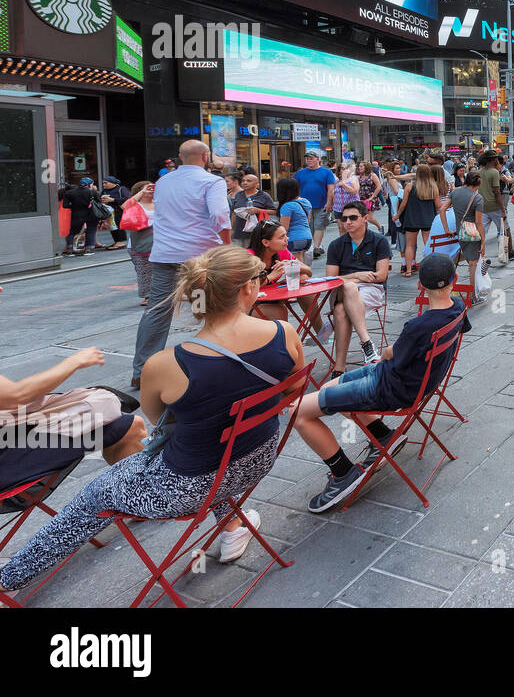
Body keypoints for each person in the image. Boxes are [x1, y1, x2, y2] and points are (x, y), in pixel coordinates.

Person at [0, 247, 306, 593]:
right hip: (258, 460)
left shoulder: (166, 364)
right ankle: (233, 525)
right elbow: (293, 387)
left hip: (187, 488)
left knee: (94, 492)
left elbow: (158, 420)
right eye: (260, 278)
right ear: (248, 288)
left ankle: (8, 579)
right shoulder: (285, 333)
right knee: (211, 441)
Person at [292, 254, 470, 512]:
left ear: (421, 286)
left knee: (298, 412)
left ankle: (343, 473)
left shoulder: (418, 326)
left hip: (391, 388)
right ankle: (384, 436)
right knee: (329, 388)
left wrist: (387, 352)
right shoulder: (457, 307)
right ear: (454, 279)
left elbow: (393, 356)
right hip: (405, 381)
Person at [131, 140, 232, 390]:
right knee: (211, 305)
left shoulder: (164, 181)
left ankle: (142, 370)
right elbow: (220, 215)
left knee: (158, 309)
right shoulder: (212, 181)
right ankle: (211, 359)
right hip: (201, 256)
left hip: (166, 254)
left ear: (179, 157)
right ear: (205, 156)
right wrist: (228, 245)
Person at [0, 340, 146, 498]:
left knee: (121, 421)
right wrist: (74, 362)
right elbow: (17, 395)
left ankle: (136, 498)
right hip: (8, 458)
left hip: (12, 438)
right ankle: (143, 499)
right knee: (129, 426)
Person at [322, 202, 390, 382]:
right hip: (340, 291)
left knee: (340, 311)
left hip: (372, 290)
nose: (348, 222)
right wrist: (358, 276)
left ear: (365, 218)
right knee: (349, 287)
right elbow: (330, 279)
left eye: (353, 218)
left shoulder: (379, 241)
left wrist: (348, 279)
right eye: (344, 219)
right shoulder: (336, 245)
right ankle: (366, 342)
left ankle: (339, 368)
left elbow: (381, 276)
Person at [246, 219, 312, 322]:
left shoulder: (281, 251)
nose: (287, 239)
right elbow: (247, 287)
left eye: (286, 235)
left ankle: (321, 332)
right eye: (282, 237)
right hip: (250, 304)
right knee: (279, 311)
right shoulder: (249, 256)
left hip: (271, 297)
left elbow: (308, 271)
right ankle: (284, 337)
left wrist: (290, 266)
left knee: (302, 277)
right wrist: (271, 277)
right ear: (266, 242)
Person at [394, 164, 449, 278]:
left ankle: (408, 270)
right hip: (428, 219)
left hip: (412, 219)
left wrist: (397, 215)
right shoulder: (433, 187)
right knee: (428, 244)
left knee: (410, 245)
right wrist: (450, 202)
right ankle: (432, 268)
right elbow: (438, 205)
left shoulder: (409, 186)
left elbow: (403, 203)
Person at [479, 150, 514, 266]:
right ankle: (510, 251)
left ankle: (477, 254)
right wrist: (503, 209)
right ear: (492, 160)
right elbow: (497, 192)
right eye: (495, 158)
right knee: (505, 229)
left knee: (481, 232)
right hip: (494, 206)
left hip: (482, 207)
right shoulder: (494, 172)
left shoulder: (479, 172)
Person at [294, 150, 336, 259]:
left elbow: (331, 189)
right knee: (309, 227)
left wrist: (329, 203)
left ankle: (316, 247)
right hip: (304, 206)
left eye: (311, 158)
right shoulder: (300, 173)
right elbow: (295, 188)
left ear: (318, 159)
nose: (309, 160)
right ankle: (313, 246)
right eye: (307, 158)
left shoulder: (326, 172)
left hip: (322, 204)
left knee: (319, 225)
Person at [121, 181, 156, 305]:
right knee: (144, 271)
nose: (151, 190)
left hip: (159, 243)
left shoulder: (159, 204)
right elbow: (125, 206)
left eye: (153, 187)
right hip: (139, 243)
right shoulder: (136, 205)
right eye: (148, 188)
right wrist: (142, 192)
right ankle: (148, 296)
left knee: (164, 270)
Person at [448, 171, 485, 278]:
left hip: (460, 231)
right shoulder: (478, 198)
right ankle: (473, 293)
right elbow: (478, 222)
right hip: (472, 234)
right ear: (478, 184)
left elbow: (442, 209)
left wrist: (446, 229)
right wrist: (483, 242)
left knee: (469, 259)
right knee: (473, 263)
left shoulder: (455, 192)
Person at [230, 172, 275, 247]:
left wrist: (258, 210)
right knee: (239, 256)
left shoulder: (264, 195)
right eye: (243, 181)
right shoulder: (239, 194)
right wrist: (231, 229)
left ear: (257, 184)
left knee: (254, 255)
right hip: (239, 232)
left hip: (256, 233)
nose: (245, 183)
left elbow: (274, 211)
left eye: (249, 181)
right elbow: (234, 213)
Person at [276, 176, 314, 263]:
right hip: (307, 237)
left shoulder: (287, 206)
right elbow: (308, 221)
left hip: (294, 238)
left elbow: (284, 228)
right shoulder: (305, 201)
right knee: (302, 264)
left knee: (297, 266)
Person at [61, 177, 101, 256]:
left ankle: (69, 249)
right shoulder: (93, 192)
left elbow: (65, 205)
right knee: (91, 231)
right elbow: (99, 203)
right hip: (91, 214)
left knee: (72, 232)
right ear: (90, 184)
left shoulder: (69, 193)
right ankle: (88, 249)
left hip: (76, 214)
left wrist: (74, 207)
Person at [98, 176, 130, 251]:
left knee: (118, 225)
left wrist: (113, 200)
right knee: (111, 226)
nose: (104, 185)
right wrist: (102, 200)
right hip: (108, 211)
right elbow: (99, 198)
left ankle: (120, 242)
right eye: (103, 183)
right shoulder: (104, 191)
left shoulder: (121, 189)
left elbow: (127, 198)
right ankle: (116, 241)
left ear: (113, 183)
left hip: (118, 210)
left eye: (106, 183)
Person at [331, 160, 362, 226]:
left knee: (352, 227)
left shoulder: (353, 179)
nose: (345, 170)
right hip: (338, 208)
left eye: (346, 169)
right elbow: (333, 194)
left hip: (351, 207)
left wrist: (344, 185)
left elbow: (355, 191)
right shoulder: (337, 181)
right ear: (339, 171)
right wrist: (332, 204)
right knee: (341, 227)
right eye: (342, 169)